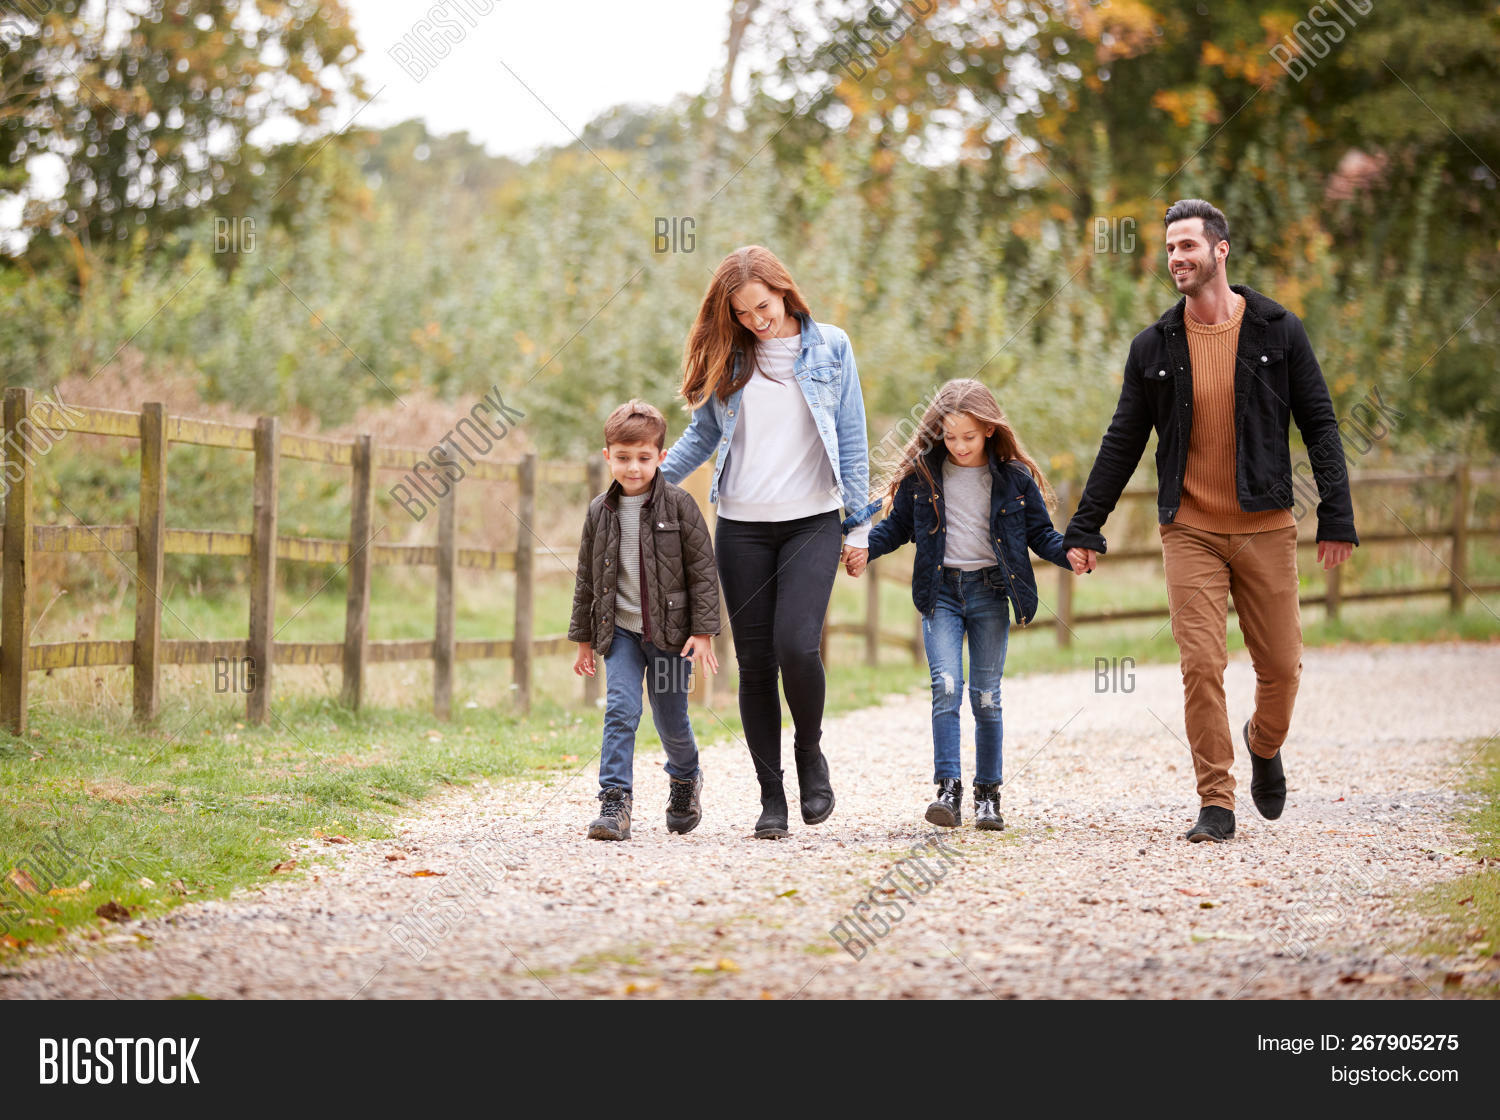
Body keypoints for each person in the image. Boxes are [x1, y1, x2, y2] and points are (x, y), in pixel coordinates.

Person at [1062, 199, 1358, 843]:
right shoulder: (1154, 347)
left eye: (1187, 247)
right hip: (1189, 527)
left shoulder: (1280, 331)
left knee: (1280, 667)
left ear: (1220, 250)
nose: (1177, 259)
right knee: (1201, 664)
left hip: (1266, 524)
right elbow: (1122, 441)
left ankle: (1263, 742)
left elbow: (1320, 424)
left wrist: (1336, 512)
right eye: (1169, 249)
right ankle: (1216, 801)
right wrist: (1086, 526)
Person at [659, 245, 879, 839]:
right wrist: (648, 483)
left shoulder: (832, 345)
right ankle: (771, 796)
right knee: (754, 663)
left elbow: (853, 438)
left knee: (796, 646)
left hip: (812, 520)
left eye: (763, 306)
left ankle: (810, 752)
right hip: (742, 526)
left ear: (783, 290)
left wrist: (860, 524)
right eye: (744, 313)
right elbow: (700, 436)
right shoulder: (730, 357)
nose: (758, 320)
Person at [844, 379, 1074, 830]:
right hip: (941, 593)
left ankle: (989, 794)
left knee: (986, 697)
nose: (959, 445)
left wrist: (1072, 553)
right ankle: (948, 791)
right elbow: (896, 528)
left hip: (990, 592)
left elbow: (1041, 535)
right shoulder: (923, 477)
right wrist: (865, 548)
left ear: (989, 429)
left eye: (968, 436)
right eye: (950, 437)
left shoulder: (1013, 479)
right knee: (946, 686)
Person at [569, 400, 721, 841]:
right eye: (623, 457)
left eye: (643, 458)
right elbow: (586, 578)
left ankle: (685, 778)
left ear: (661, 456)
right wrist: (584, 639)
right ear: (607, 457)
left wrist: (704, 632)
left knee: (671, 719)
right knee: (621, 709)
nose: (633, 468)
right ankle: (614, 801)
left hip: (672, 636)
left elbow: (704, 574)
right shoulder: (600, 511)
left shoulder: (680, 506)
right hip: (619, 632)